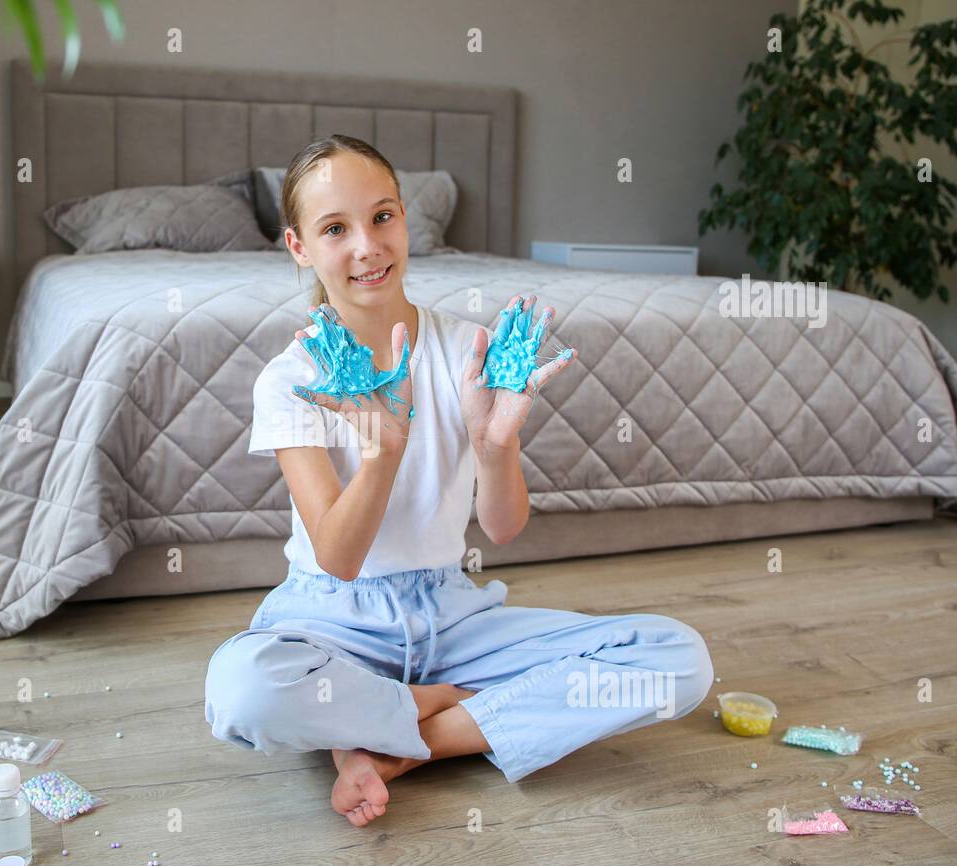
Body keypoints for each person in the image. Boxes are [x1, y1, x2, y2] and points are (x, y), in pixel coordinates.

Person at [204, 134, 714, 827]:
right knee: (244, 690)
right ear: (299, 248)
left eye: (383, 217)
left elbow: (502, 529)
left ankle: (398, 742)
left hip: (450, 615)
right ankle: (442, 709)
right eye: (334, 229)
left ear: (406, 219)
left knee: (677, 658)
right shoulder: (292, 379)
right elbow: (339, 556)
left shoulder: (464, 350)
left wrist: (494, 443)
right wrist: (384, 450)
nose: (367, 246)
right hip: (331, 617)